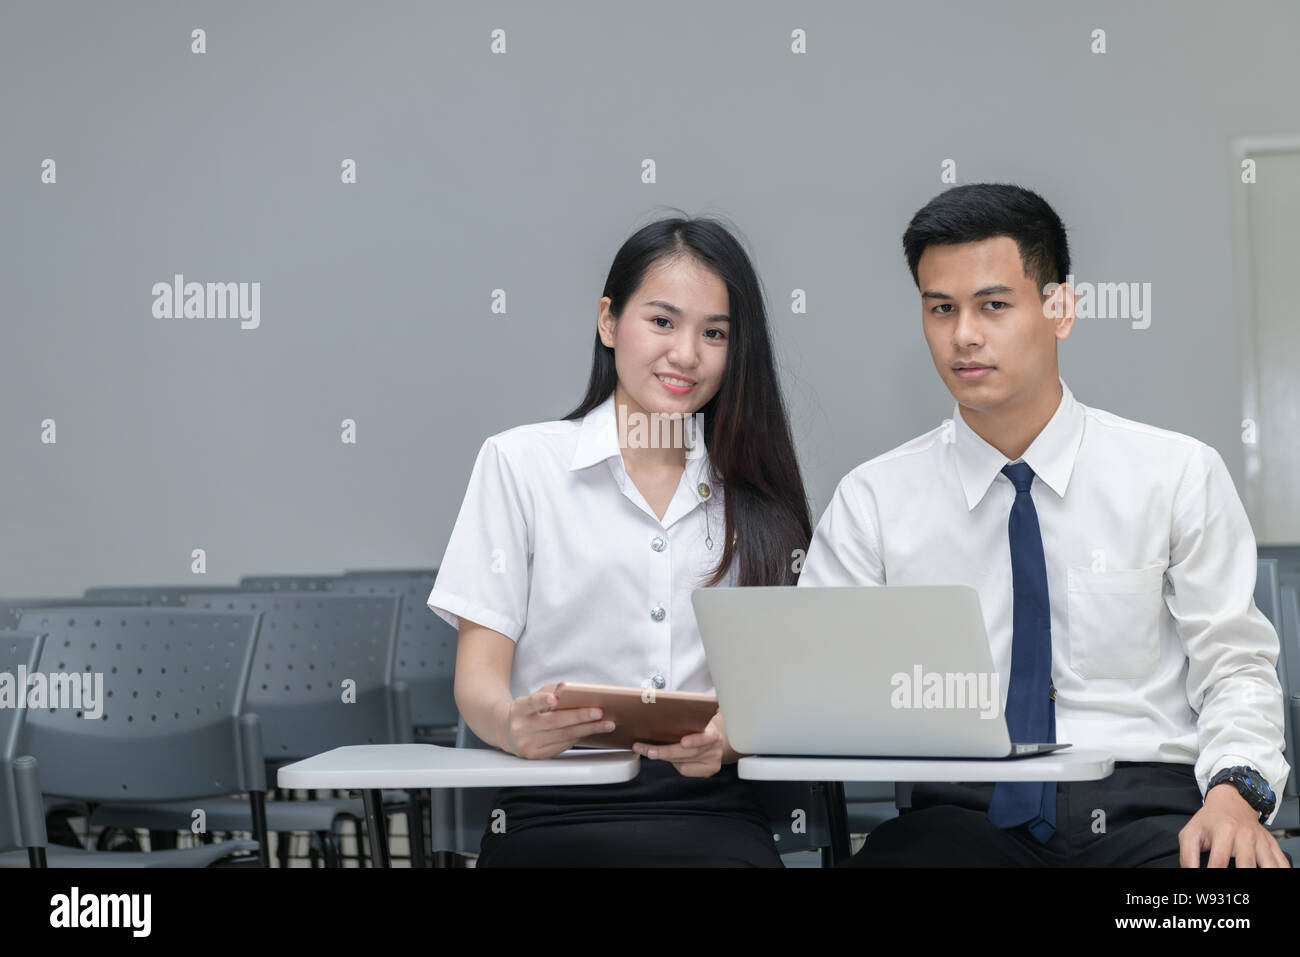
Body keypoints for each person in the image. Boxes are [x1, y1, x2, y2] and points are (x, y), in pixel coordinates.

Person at [798, 183, 1292, 868]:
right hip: (960, 823)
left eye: (993, 305)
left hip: (1148, 814)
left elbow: (1235, 668)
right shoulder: (873, 500)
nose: (964, 335)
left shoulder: (1176, 474)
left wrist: (1235, 796)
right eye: (941, 308)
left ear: (1061, 308)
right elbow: (814, 683)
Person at [427, 215, 812, 866]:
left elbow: (787, 689)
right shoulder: (520, 464)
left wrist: (728, 739)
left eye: (714, 333)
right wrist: (512, 724)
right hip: (550, 801)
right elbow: (478, 679)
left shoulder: (759, 491)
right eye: (662, 321)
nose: (686, 354)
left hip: (712, 809)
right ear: (609, 322)